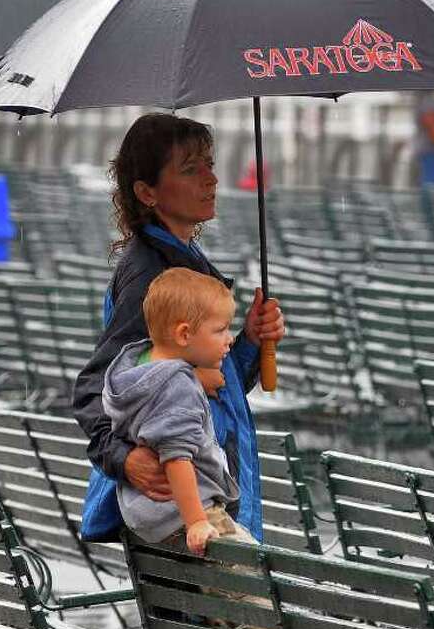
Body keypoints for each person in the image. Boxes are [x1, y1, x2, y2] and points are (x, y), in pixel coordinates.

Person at [74, 113, 286, 543]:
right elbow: (96, 387)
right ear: (147, 192)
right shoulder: (153, 277)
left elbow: (203, 382)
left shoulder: (182, 262)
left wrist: (249, 340)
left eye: (210, 164)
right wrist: (123, 458)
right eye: (190, 169)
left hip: (197, 494)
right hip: (185, 508)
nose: (211, 179)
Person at [103, 268, 248, 552]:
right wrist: (197, 522)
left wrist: (195, 376)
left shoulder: (137, 367)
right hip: (190, 510)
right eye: (220, 330)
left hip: (145, 512)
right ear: (184, 334)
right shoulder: (177, 388)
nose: (229, 338)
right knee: (257, 576)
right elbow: (177, 458)